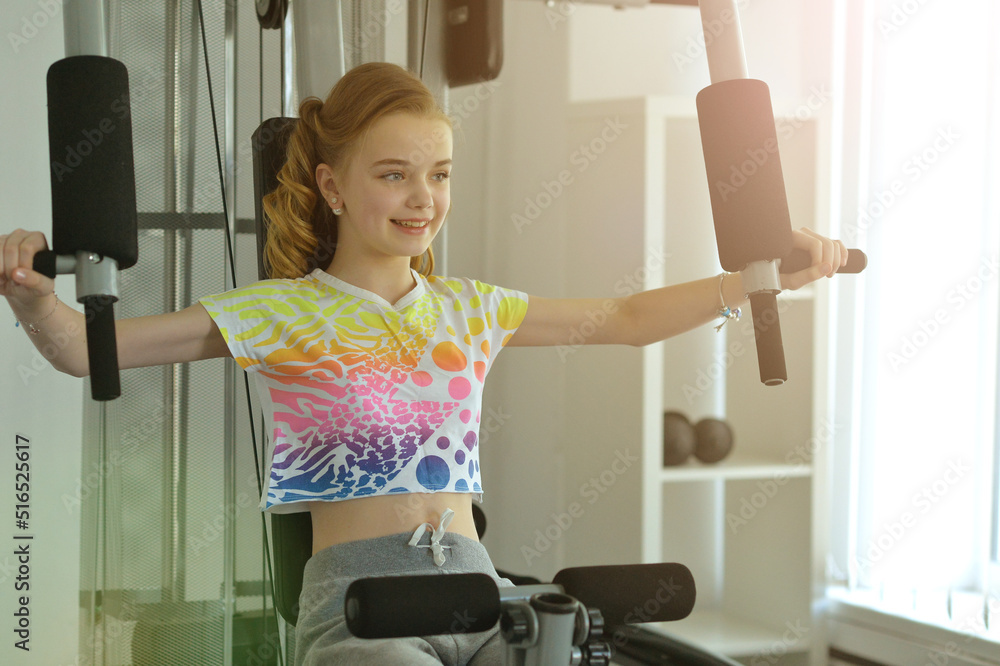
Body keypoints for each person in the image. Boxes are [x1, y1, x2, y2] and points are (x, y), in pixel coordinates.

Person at [0, 62, 847, 665]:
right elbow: (84, 350)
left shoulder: (468, 309)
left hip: (480, 594)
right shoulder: (280, 310)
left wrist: (755, 279)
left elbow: (624, 319)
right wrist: (34, 299)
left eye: (438, 175)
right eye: (395, 174)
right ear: (332, 188)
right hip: (361, 610)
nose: (423, 199)